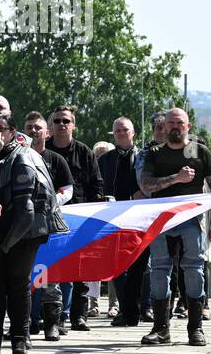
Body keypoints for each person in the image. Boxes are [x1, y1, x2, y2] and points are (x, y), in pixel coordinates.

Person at [138, 108, 211, 346]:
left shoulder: (200, 151)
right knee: (159, 271)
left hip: (191, 220)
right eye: (171, 123)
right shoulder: (153, 153)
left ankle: (195, 329)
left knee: (194, 271)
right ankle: (160, 329)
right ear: (164, 127)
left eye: (180, 122)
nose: (175, 126)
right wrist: (176, 178)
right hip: (162, 220)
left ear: (188, 126)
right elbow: (146, 184)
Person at [0, 116, 62, 354]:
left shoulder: (22, 156)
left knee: (17, 283)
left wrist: (6, 244)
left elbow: (26, 212)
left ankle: (19, 338)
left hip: (25, 232)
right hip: (2, 227)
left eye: (1, 129)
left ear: (12, 131)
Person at [45, 105, 104, 331]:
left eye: (66, 121)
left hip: (79, 217)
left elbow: (96, 183)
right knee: (54, 269)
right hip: (51, 217)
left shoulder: (84, 152)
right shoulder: (43, 151)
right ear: (50, 126)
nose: (62, 124)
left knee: (81, 268)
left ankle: (79, 315)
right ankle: (55, 316)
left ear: (73, 125)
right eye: (57, 121)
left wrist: (95, 213)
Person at [22, 112, 74, 340]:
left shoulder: (56, 160)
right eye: (29, 127)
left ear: (48, 132)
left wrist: (53, 200)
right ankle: (28, 323)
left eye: (38, 127)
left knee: (50, 274)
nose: (34, 131)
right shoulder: (17, 156)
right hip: (23, 225)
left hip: (51, 224)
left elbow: (68, 189)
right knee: (25, 274)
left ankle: (52, 323)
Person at [100, 117, 146, 326]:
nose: (120, 133)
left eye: (124, 130)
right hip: (113, 219)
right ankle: (127, 310)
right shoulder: (105, 160)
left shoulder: (144, 157)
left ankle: (137, 309)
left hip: (140, 219)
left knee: (140, 267)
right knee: (116, 267)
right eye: (116, 131)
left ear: (133, 132)